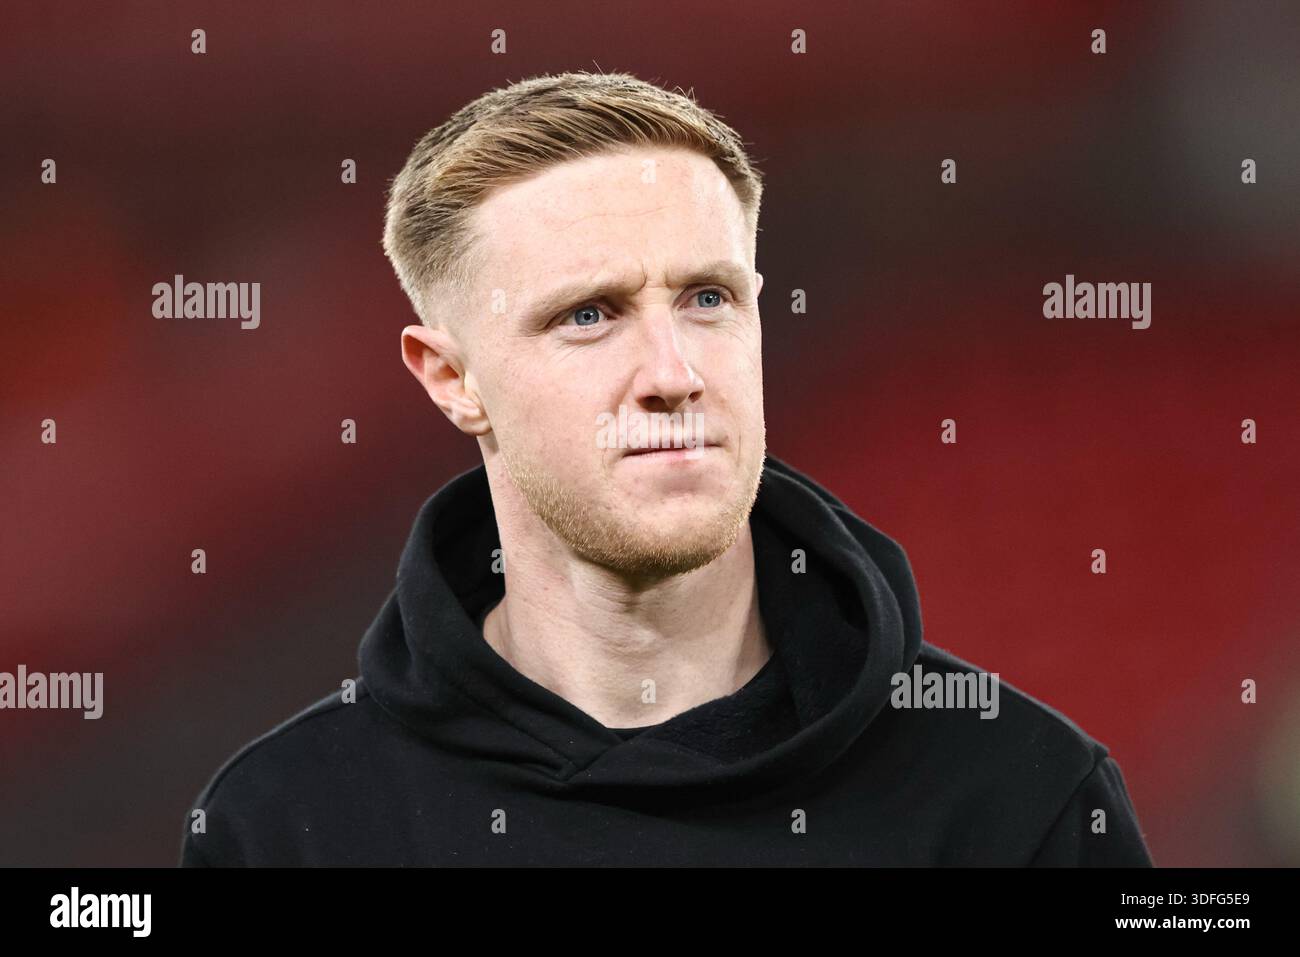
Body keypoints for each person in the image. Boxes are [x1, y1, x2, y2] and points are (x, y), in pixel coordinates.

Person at [180, 70, 1154, 866]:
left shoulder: (1019, 798)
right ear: (451, 378)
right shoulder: (284, 829)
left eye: (706, 299)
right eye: (589, 314)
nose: (673, 375)